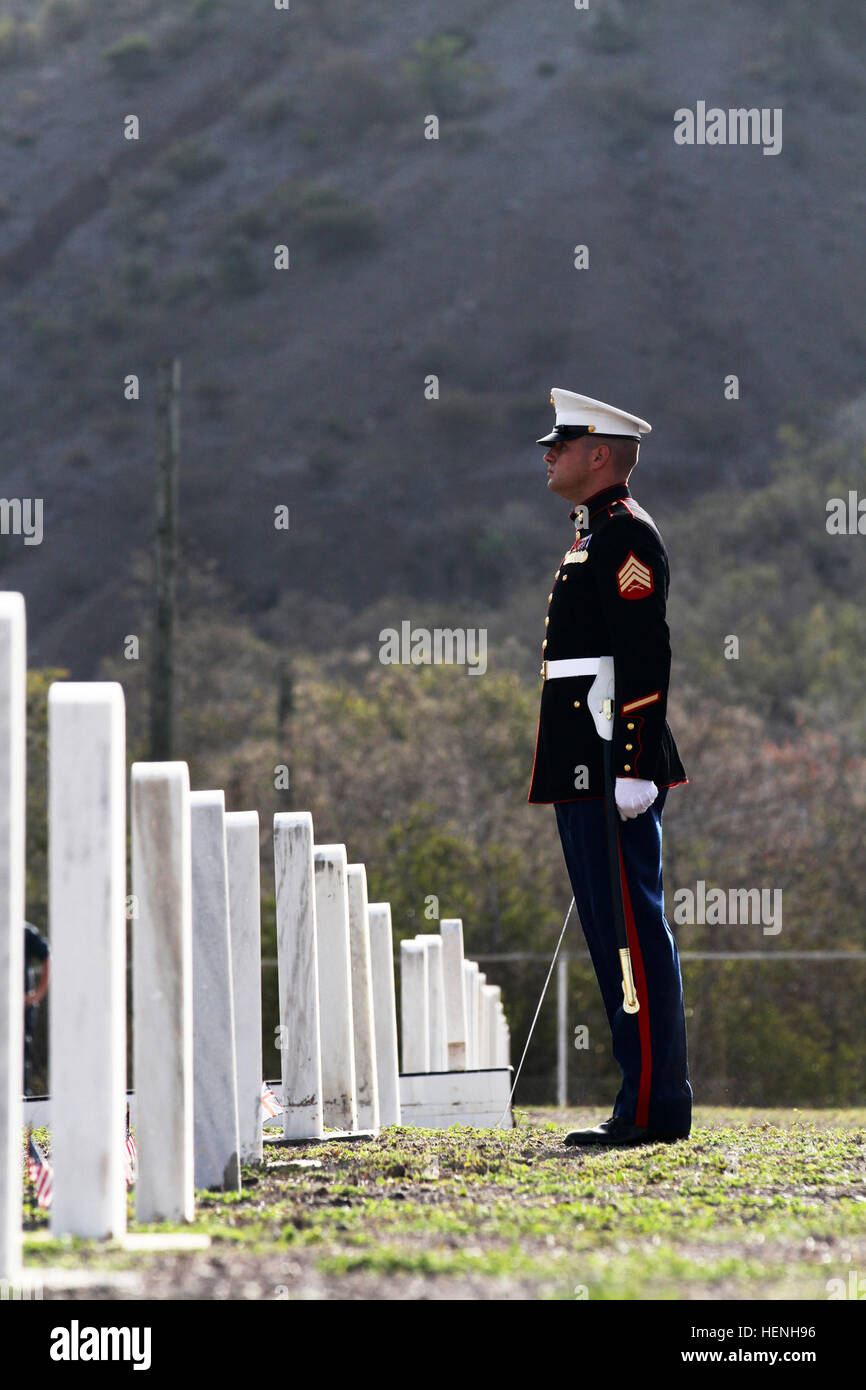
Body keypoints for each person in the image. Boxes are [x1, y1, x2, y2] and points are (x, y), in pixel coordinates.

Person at [528, 388, 692, 1146]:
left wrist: (632, 763)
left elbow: (643, 652)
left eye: (561, 442)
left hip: (607, 753)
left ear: (601, 454)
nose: (548, 452)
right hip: (580, 755)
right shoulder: (592, 533)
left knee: (632, 929)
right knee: (608, 930)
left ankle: (657, 1105)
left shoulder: (625, 534)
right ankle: (640, 1098)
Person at [24, 921, 51, 1095]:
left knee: (20, 1053)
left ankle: (21, 1096)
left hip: (21, 1007)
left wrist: (38, 993)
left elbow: (47, 955)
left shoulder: (24, 932)